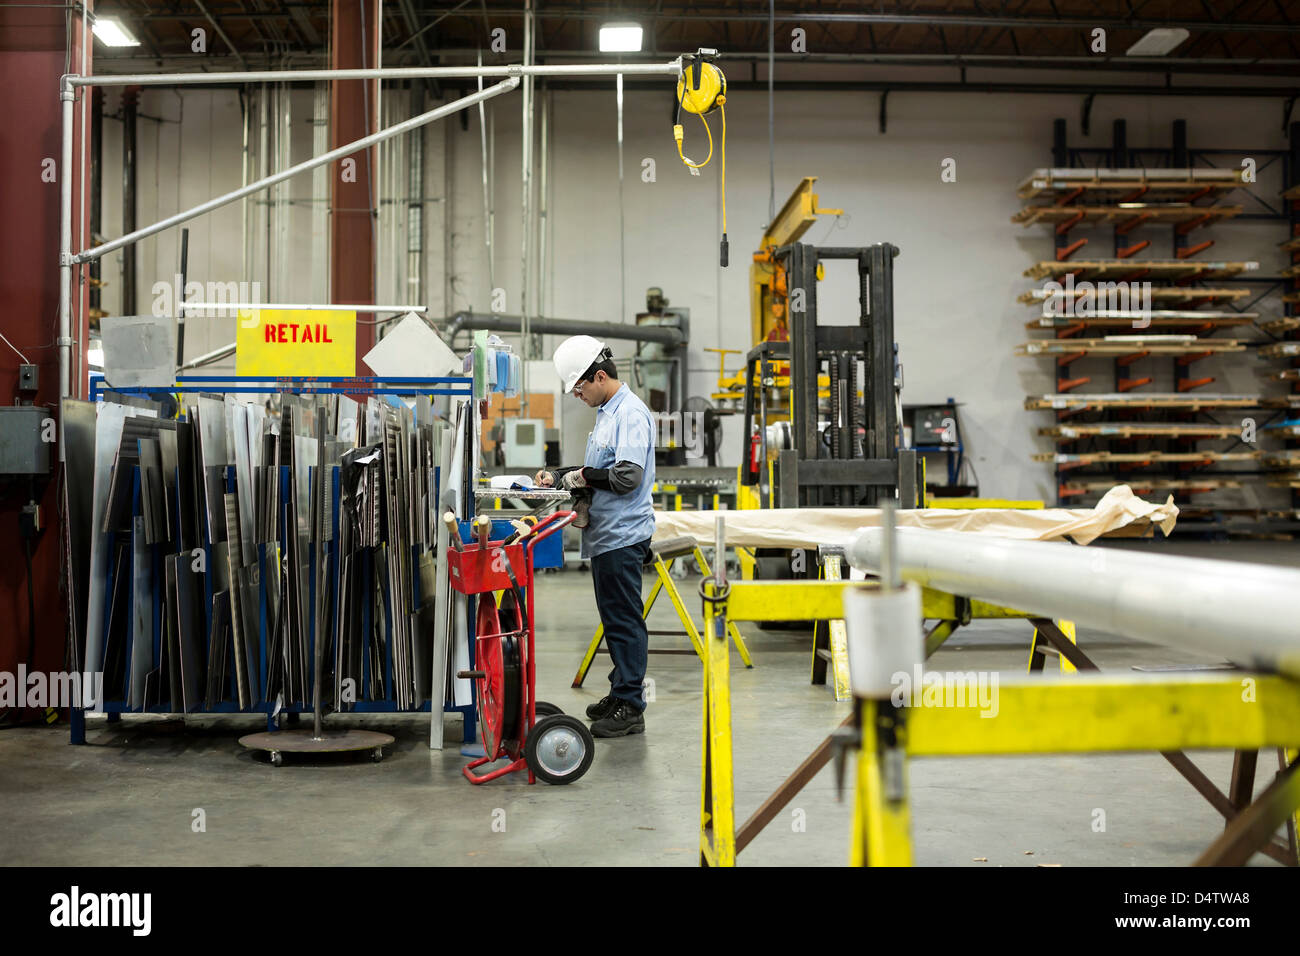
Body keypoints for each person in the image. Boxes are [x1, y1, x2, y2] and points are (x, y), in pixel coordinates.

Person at [534, 336, 656, 738]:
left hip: (622, 534)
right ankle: (620, 693)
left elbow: (625, 477)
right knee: (614, 618)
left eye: (580, 388)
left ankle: (631, 706)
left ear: (599, 376)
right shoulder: (608, 412)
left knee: (624, 621)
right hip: (607, 535)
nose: (578, 395)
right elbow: (597, 467)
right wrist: (559, 473)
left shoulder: (631, 414)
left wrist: (584, 476)